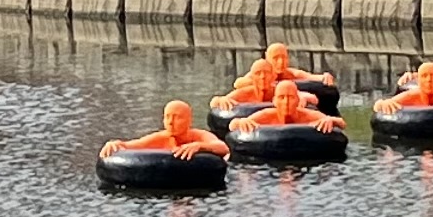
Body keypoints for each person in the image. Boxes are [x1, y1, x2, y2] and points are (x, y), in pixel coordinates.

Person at [99, 100, 231, 161]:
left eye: (177, 117)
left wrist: (199, 147)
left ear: (189, 120)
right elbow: (132, 145)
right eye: (167, 117)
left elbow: (222, 148)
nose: (170, 122)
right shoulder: (161, 138)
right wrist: (115, 144)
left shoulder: (199, 135)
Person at [228, 79, 345, 135]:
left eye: (290, 97)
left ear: (298, 101)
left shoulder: (308, 115)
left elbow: (342, 124)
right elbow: (233, 125)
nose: (286, 102)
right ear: (274, 101)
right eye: (282, 97)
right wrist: (241, 122)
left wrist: (331, 119)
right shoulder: (266, 115)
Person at [211, 58, 319, 111]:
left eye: (266, 74)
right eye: (258, 74)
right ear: (252, 78)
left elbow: (312, 98)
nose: (263, 77)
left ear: (273, 77)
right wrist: (220, 100)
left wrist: (303, 98)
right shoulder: (245, 92)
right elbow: (214, 102)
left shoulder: (279, 90)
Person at [234, 42, 335, 91]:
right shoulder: (260, 73)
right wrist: (268, 83)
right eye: (276, 58)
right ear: (267, 58)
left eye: (284, 58)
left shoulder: (290, 74)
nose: (281, 62)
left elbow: (308, 76)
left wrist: (324, 77)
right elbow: (238, 83)